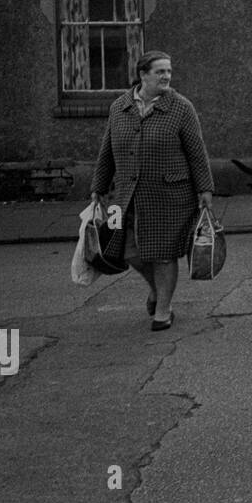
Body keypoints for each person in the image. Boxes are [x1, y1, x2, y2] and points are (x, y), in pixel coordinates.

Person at [91, 51, 214, 331]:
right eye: (160, 72)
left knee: (164, 253)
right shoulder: (119, 107)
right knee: (128, 252)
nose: (166, 76)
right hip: (128, 194)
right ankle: (156, 289)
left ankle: (163, 309)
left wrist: (205, 188)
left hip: (170, 195)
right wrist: (98, 186)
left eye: (169, 71)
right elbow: (106, 152)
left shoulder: (181, 107)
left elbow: (197, 152)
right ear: (143, 75)